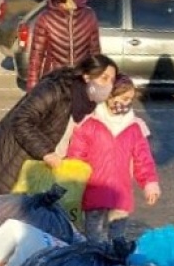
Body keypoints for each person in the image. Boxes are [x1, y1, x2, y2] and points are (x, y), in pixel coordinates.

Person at [0, 53, 120, 198]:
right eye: (104, 78)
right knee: (0, 216)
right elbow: (21, 120)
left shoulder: (88, 105)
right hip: (7, 168)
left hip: (38, 172)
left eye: (112, 81)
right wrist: (46, 153)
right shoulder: (56, 89)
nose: (108, 85)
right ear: (87, 76)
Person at [66, 76, 161, 242]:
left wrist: (149, 183)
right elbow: (76, 158)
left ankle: (114, 265)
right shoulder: (89, 124)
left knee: (117, 240)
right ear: (109, 96)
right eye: (124, 98)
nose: (127, 103)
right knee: (93, 240)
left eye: (130, 99)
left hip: (120, 194)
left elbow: (143, 159)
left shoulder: (134, 127)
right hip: (94, 192)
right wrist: (70, 184)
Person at [25, 0, 102, 91]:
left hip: (80, 82)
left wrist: (96, 78)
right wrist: (32, 90)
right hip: (54, 83)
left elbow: (95, 52)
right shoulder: (46, 18)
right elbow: (36, 57)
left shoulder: (89, 16)